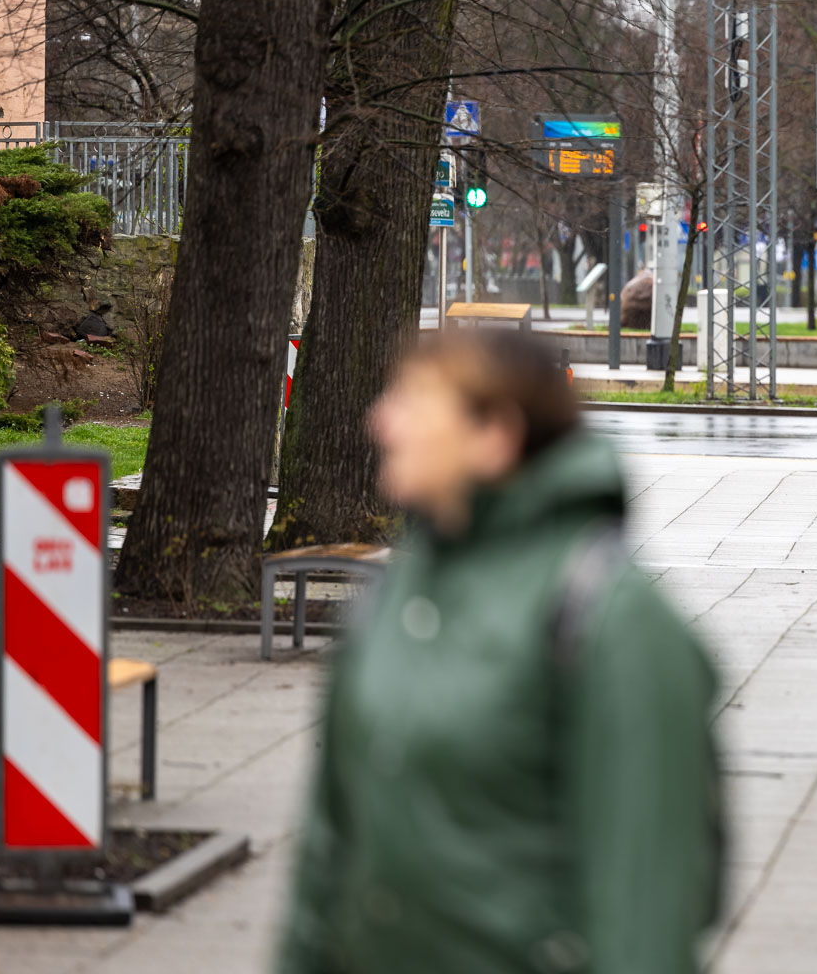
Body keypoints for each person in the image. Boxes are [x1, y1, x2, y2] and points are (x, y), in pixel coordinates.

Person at [278, 329, 722, 974]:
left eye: (414, 400)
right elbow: (328, 854)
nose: (382, 420)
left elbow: (645, 905)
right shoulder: (401, 590)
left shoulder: (613, 618)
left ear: (494, 435)